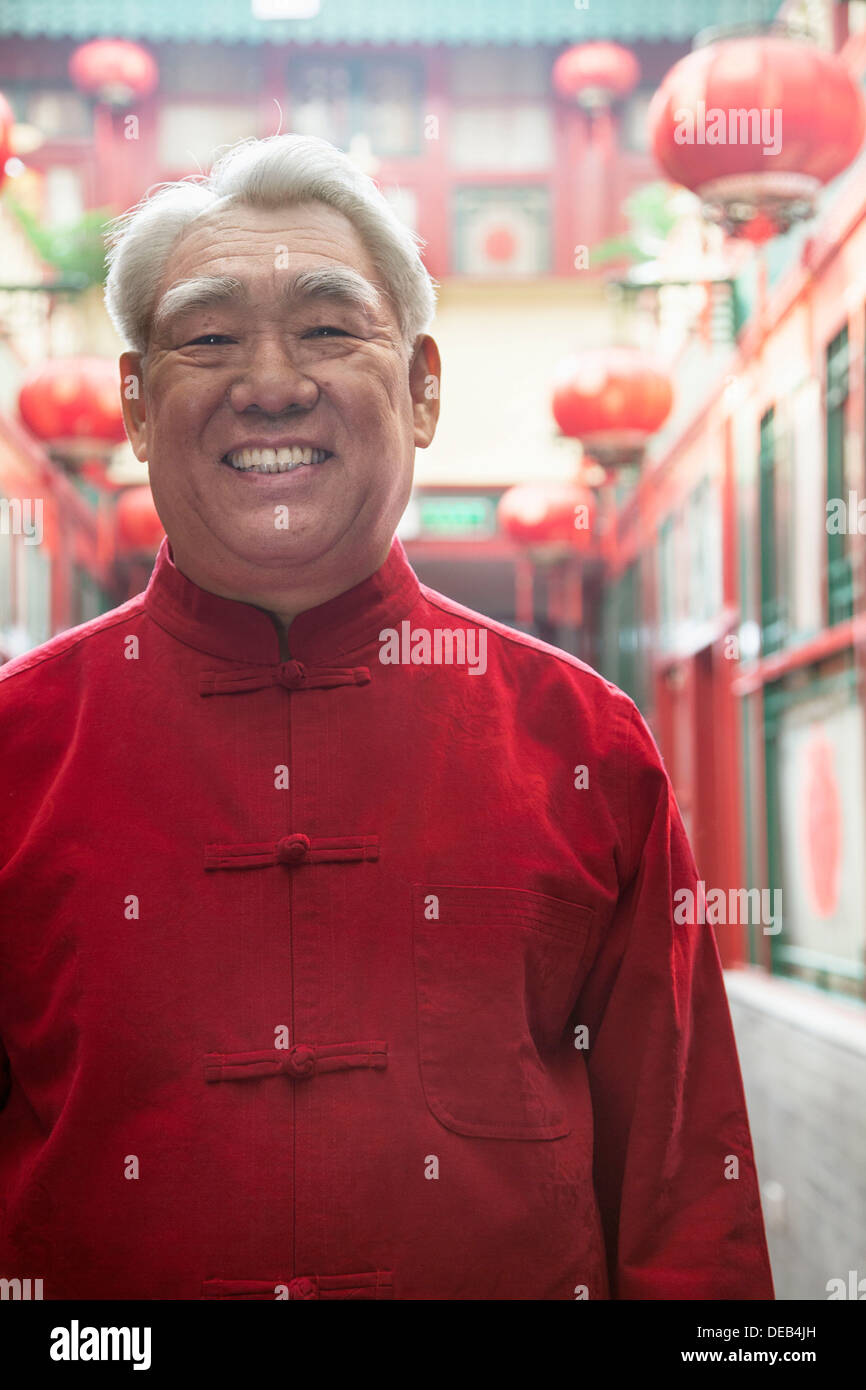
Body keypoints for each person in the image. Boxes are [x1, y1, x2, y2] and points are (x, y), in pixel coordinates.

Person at [0, 133, 774, 1301]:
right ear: (136, 404)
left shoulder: (580, 744)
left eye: (325, 327)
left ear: (420, 389)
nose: (269, 381)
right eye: (208, 337)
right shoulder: (18, 745)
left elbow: (685, 1194)